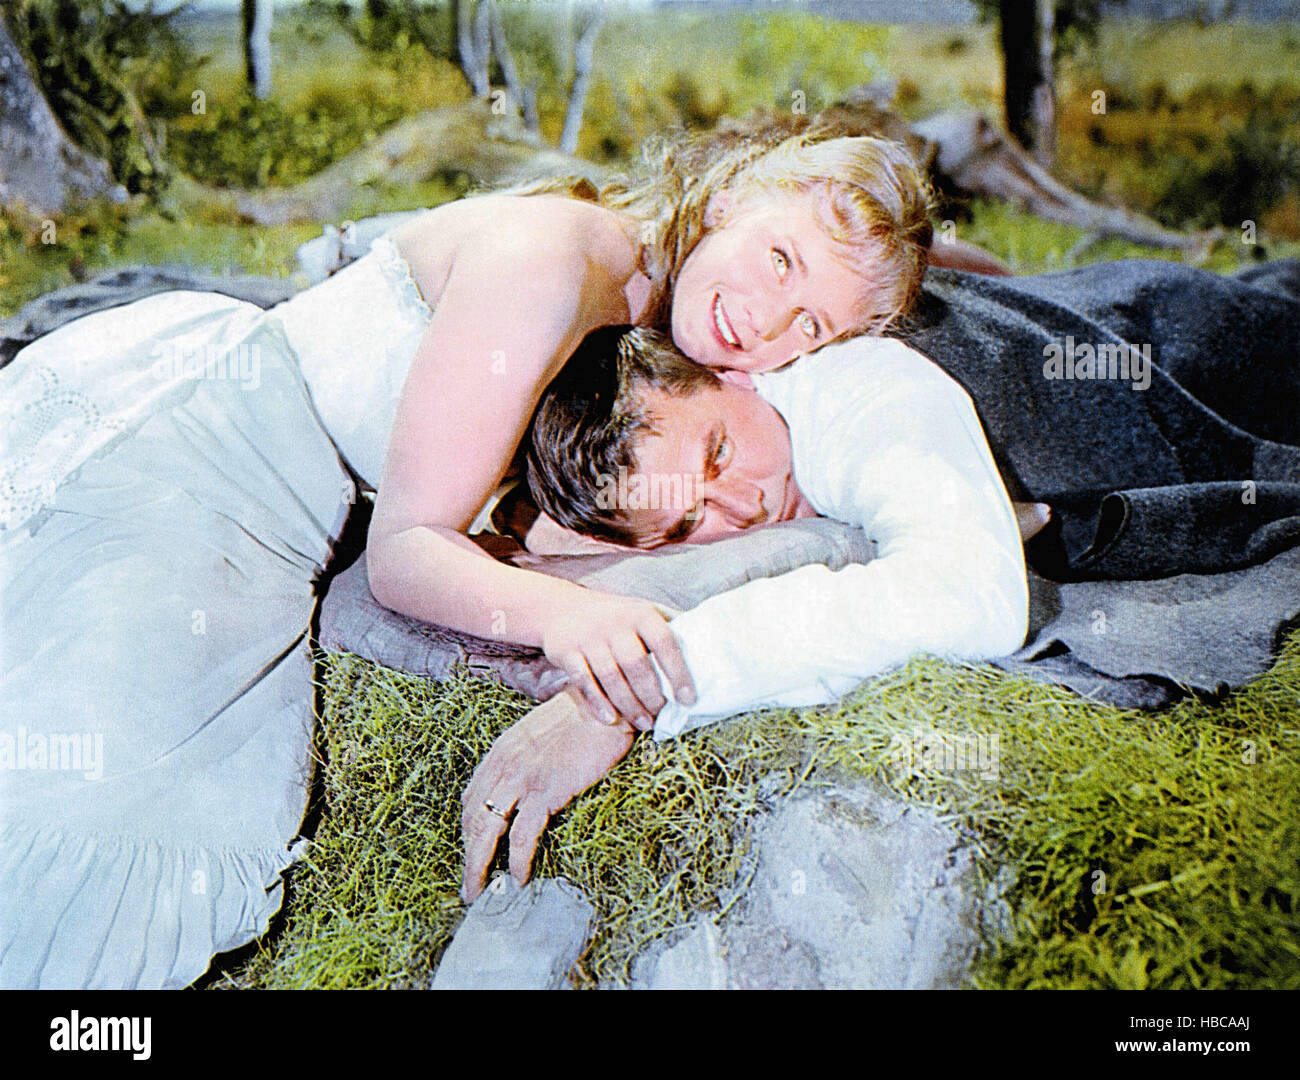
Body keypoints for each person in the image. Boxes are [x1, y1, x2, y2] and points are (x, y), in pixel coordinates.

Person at [0, 114, 1004, 988]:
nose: (765, 317)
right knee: (117, 809)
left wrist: (935, 268)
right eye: (777, 259)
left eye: (811, 323)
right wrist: (573, 618)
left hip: (256, 450)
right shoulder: (552, 267)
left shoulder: (663, 291)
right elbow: (405, 556)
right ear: (734, 193)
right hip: (201, 459)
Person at [460, 253, 1300, 901]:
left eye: (717, 449)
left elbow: (968, 598)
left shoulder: (861, 398)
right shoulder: (754, 455)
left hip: (1199, 345)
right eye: (688, 524)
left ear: (730, 370)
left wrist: (655, 685)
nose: (745, 506)